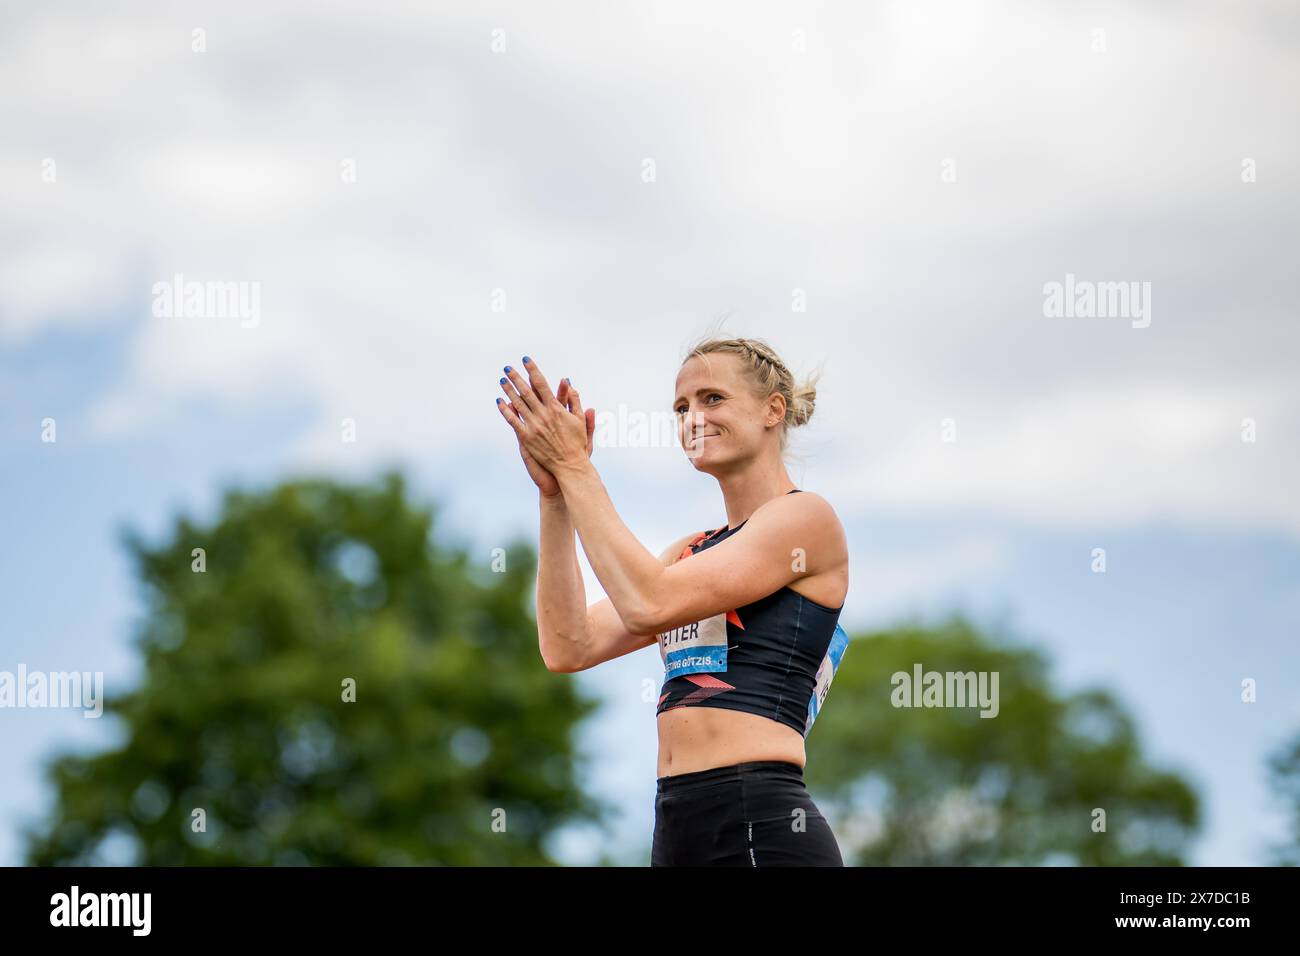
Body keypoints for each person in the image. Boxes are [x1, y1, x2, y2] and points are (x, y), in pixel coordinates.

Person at [494, 335, 849, 866]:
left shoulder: (806, 519)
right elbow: (568, 645)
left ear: (773, 409)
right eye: (681, 407)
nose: (693, 418)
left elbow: (649, 604)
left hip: (762, 819)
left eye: (712, 399)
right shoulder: (689, 552)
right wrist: (556, 497)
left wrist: (577, 468)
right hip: (676, 826)